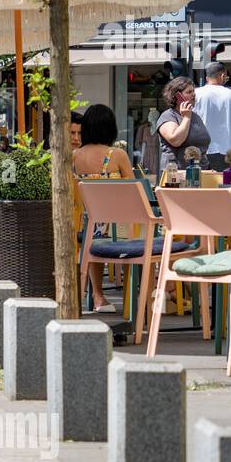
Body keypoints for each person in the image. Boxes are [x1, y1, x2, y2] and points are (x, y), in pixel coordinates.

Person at [73, 104, 134, 314]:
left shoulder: (73, 157)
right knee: (146, 232)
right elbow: (133, 192)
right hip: (116, 227)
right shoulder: (117, 155)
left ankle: (98, 296)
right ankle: (142, 297)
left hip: (83, 227)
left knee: (94, 236)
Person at [193, 60, 231, 173]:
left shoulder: (196, 94)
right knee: (223, 186)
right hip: (225, 152)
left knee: (200, 186)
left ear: (207, 77)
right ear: (222, 76)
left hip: (200, 150)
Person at [156, 76, 211, 173]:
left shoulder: (195, 116)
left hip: (201, 171)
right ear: (177, 96)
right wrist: (186, 118)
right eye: (189, 92)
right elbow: (176, 140)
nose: (194, 95)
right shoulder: (168, 116)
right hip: (175, 174)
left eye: (194, 91)